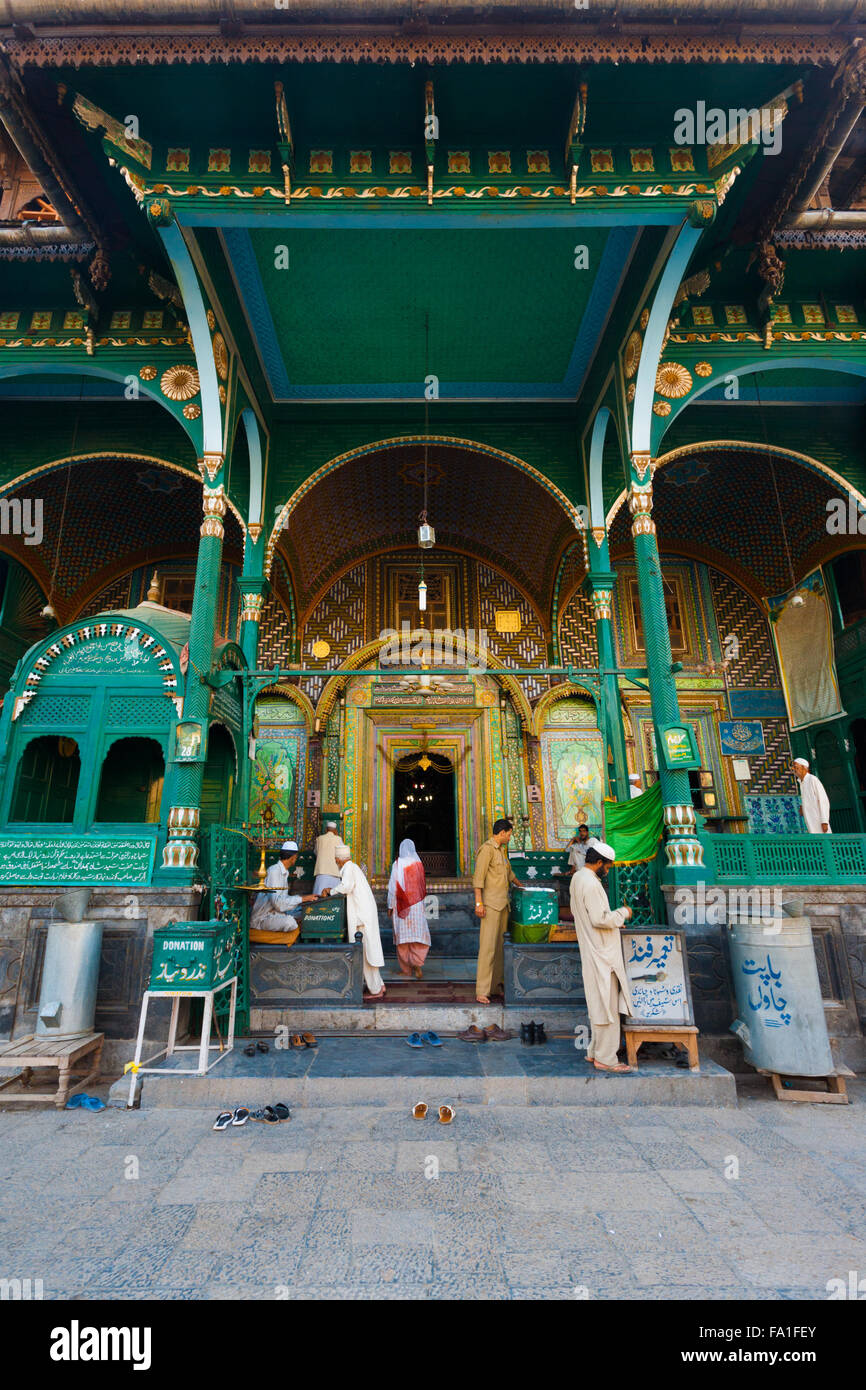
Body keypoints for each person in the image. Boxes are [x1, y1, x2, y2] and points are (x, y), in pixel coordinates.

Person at [569, 839, 634, 1073]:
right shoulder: (592, 884)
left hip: (591, 949)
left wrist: (613, 922)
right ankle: (606, 1058)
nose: (609, 870)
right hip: (602, 953)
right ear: (599, 862)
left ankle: (595, 1051)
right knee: (607, 1008)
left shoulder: (578, 878)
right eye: (608, 865)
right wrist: (622, 914)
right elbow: (600, 919)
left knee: (597, 1004)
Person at [322, 841, 386, 998]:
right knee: (367, 952)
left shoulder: (349, 868)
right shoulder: (352, 867)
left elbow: (346, 886)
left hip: (361, 918)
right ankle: (379, 985)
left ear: (339, 859)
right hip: (363, 916)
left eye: (336, 859)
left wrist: (330, 891)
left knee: (364, 954)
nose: (335, 862)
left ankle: (376, 990)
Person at [472, 818, 522, 1005]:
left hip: (503, 905)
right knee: (488, 948)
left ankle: (495, 986)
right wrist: (479, 904)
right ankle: (482, 990)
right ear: (502, 833)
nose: (510, 837)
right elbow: (478, 878)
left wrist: (522, 886)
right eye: (509, 834)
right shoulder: (487, 850)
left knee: (500, 948)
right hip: (490, 905)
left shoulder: (501, 851)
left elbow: (509, 875)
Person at [250, 840, 317, 933]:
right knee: (290, 923)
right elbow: (278, 904)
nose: (296, 858)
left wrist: (302, 901)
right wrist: (302, 899)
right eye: (296, 856)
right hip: (263, 918)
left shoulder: (284, 872)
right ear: (293, 857)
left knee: (303, 912)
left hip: (276, 913)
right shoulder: (274, 871)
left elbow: (283, 900)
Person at [387, 838, 430, 979]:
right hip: (416, 905)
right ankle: (417, 963)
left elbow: (393, 887)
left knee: (403, 939)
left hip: (401, 905)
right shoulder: (418, 864)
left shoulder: (398, 864)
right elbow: (420, 886)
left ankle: (406, 969)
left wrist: (389, 906)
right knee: (417, 937)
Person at [794, 757, 831, 834]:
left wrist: (824, 821)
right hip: (810, 819)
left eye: (796, 767)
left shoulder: (813, 779)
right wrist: (802, 806)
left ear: (804, 768)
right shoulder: (801, 782)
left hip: (818, 819)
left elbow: (823, 800)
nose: (794, 770)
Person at [313, 819, 342, 895]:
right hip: (334, 872)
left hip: (322, 871)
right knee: (335, 897)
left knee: (319, 897)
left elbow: (316, 852)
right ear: (335, 830)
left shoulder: (319, 839)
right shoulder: (338, 839)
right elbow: (341, 854)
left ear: (326, 829)